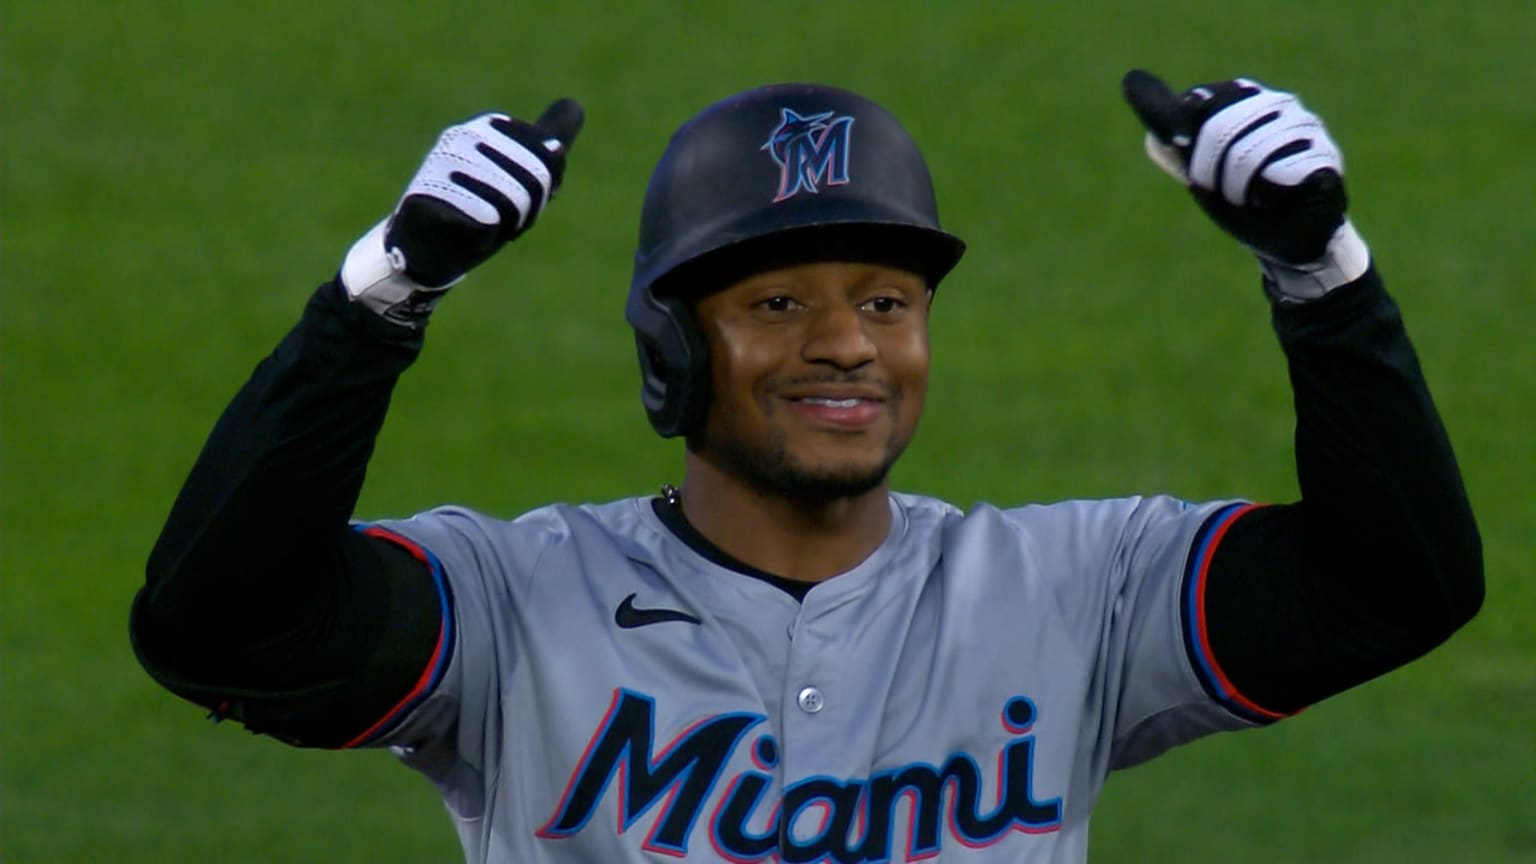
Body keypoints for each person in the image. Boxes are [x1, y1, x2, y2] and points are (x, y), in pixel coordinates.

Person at [130, 70, 1483, 863]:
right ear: (672, 352)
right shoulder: (510, 604)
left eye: (888, 303)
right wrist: (379, 302)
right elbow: (220, 626)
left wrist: (1323, 280)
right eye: (775, 305)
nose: (847, 344)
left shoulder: (1080, 592)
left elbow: (1396, 588)